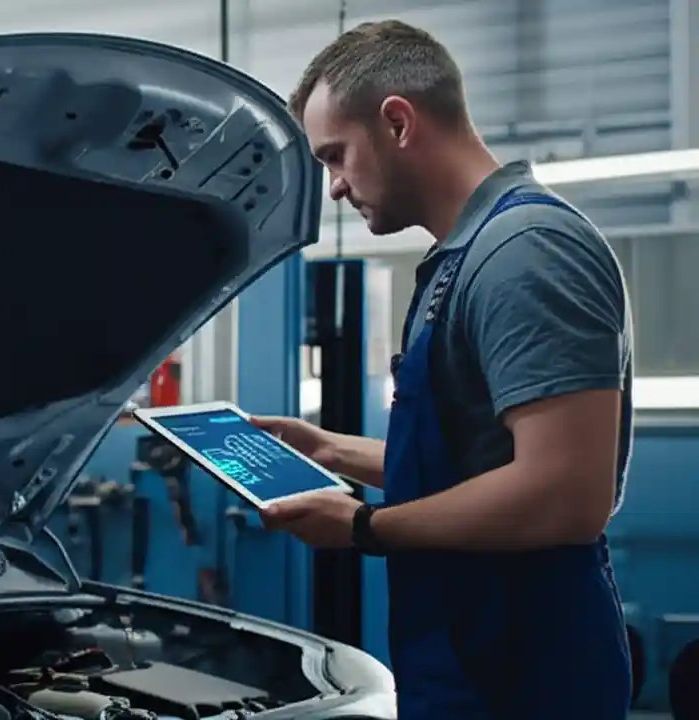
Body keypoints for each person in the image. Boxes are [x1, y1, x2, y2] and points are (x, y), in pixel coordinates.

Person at [253, 19, 635, 719]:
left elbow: (565, 494)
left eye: (336, 156)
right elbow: (470, 459)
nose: (333, 188)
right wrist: (330, 450)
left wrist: (363, 527)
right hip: (472, 660)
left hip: (529, 676)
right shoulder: (466, 258)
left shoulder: (526, 252)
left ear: (397, 121)